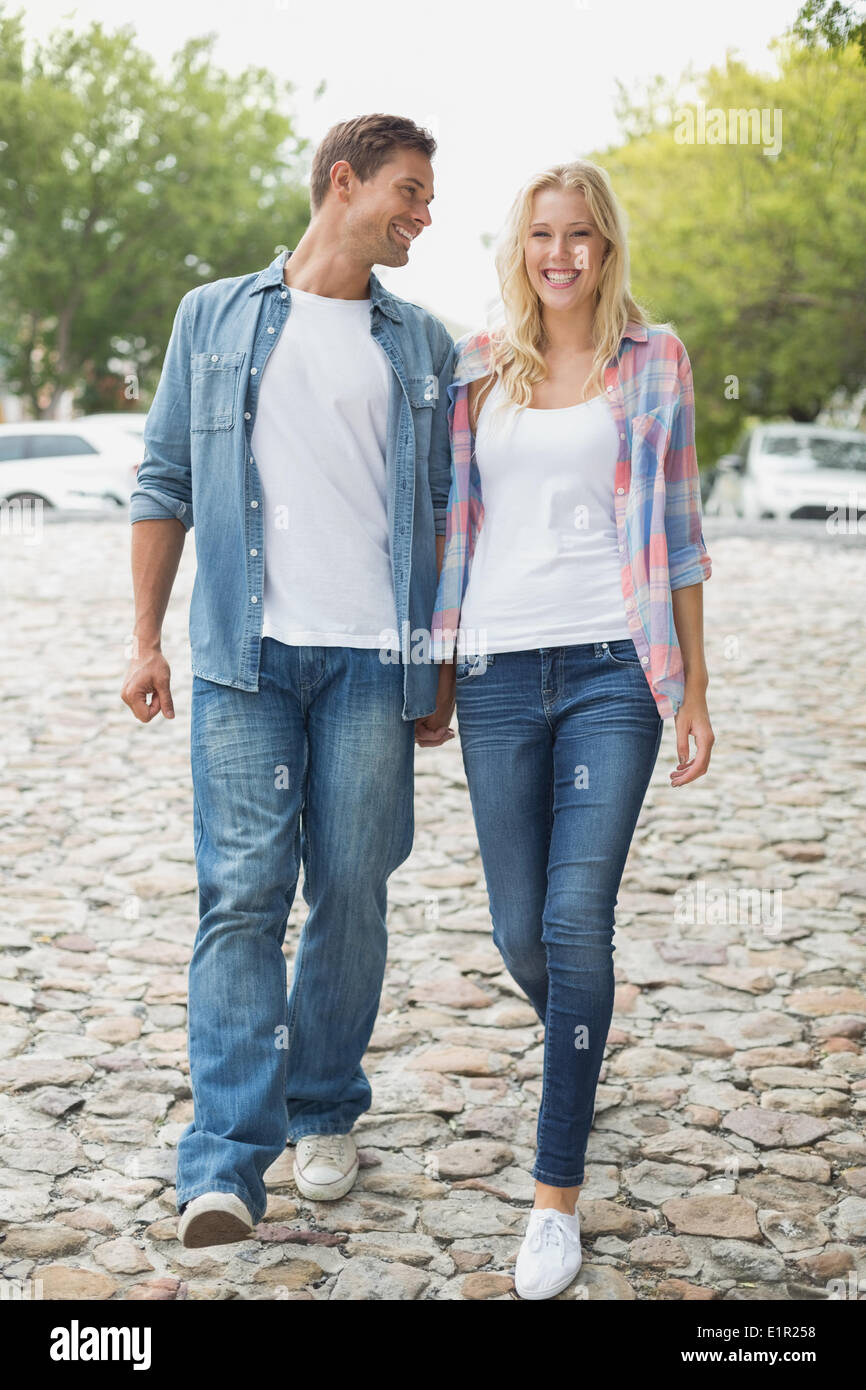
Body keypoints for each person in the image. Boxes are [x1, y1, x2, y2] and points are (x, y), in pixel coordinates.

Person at [122, 113, 455, 1249]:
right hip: (242, 659)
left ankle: (322, 1107)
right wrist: (144, 638)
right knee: (242, 897)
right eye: (407, 192)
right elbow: (162, 478)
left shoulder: (421, 343)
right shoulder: (210, 317)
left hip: (372, 660)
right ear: (342, 181)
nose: (422, 214)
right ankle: (222, 1160)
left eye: (427, 198)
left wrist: (439, 666)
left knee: (351, 889)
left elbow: (449, 512)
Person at [417, 159, 715, 1300]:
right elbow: (456, 527)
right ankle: (577, 1046)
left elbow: (679, 536)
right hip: (494, 668)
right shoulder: (478, 367)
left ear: (605, 245)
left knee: (573, 921)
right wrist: (436, 673)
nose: (559, 254)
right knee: (517, 937)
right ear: (519, 245)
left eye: (579, 235)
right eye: (541, 233)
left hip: (610, 666)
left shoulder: (655, 360)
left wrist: (691, 688)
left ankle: (553, 1199)